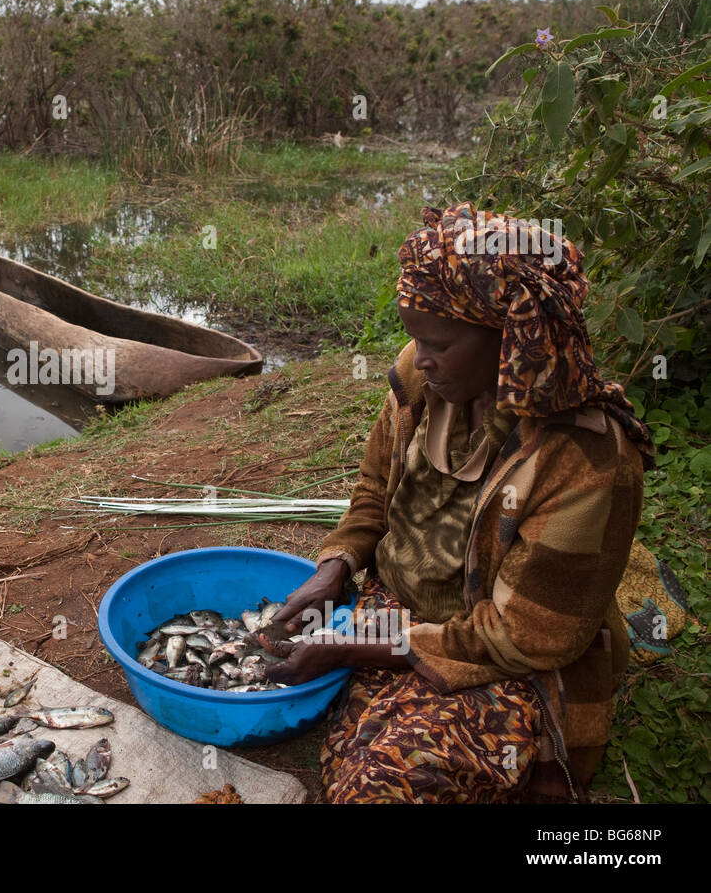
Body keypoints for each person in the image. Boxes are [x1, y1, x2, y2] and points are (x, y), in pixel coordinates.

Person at [258, 202, 655, 803]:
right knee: (363, 752)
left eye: (436, 343)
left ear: (512, 340)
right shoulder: (423, 382)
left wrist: (354, 645)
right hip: (394, 614)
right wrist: (335, 567)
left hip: (498, 656)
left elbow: (528, 637)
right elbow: (373, 493)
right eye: (414, 339)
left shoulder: (585, 460)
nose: (417, 358)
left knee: (388, 781)